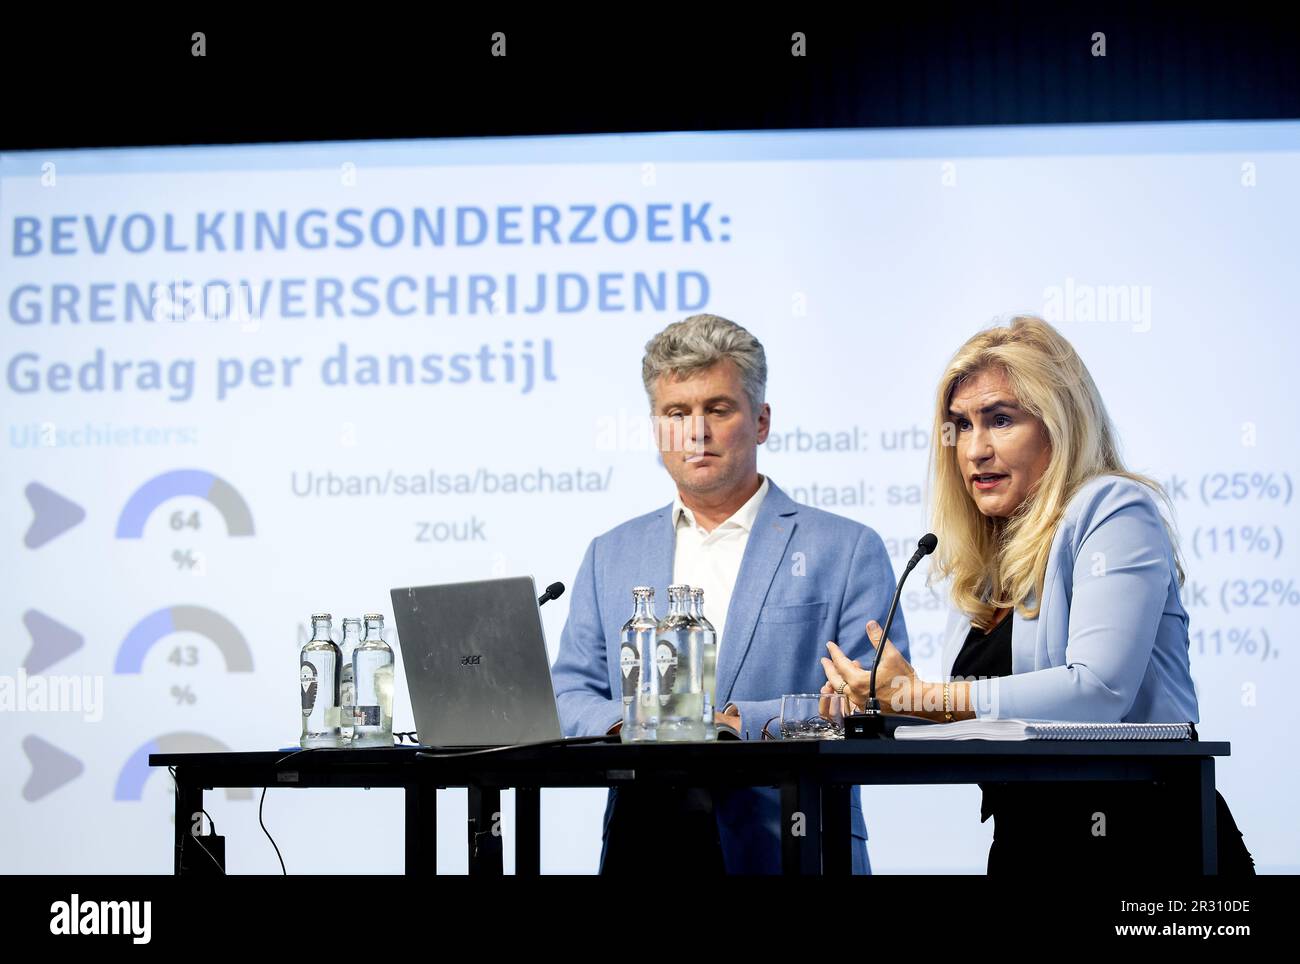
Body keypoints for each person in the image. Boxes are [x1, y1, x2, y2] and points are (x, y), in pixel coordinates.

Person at [820, 315, 1253, 874]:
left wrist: (923, 698)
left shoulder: (1114, 510)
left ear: (1060, 424)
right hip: (1029, 841)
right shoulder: (987, 557)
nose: (975, 449)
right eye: (961, 426)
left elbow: (1096, 691)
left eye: (1000, 421)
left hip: (1143, 840)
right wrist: (881, 706)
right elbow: (990, 717)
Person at [550, 312, 904, 874]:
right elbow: (570, 691)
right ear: (655, 427)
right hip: (642, 848)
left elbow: (873, 707)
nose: (697, 432)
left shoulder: (847, 548)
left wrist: (734, 721)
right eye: (676, 413)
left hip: (794, 844)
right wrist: (627, 727)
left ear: (760, 421)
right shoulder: (609, 553)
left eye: (717, 409)